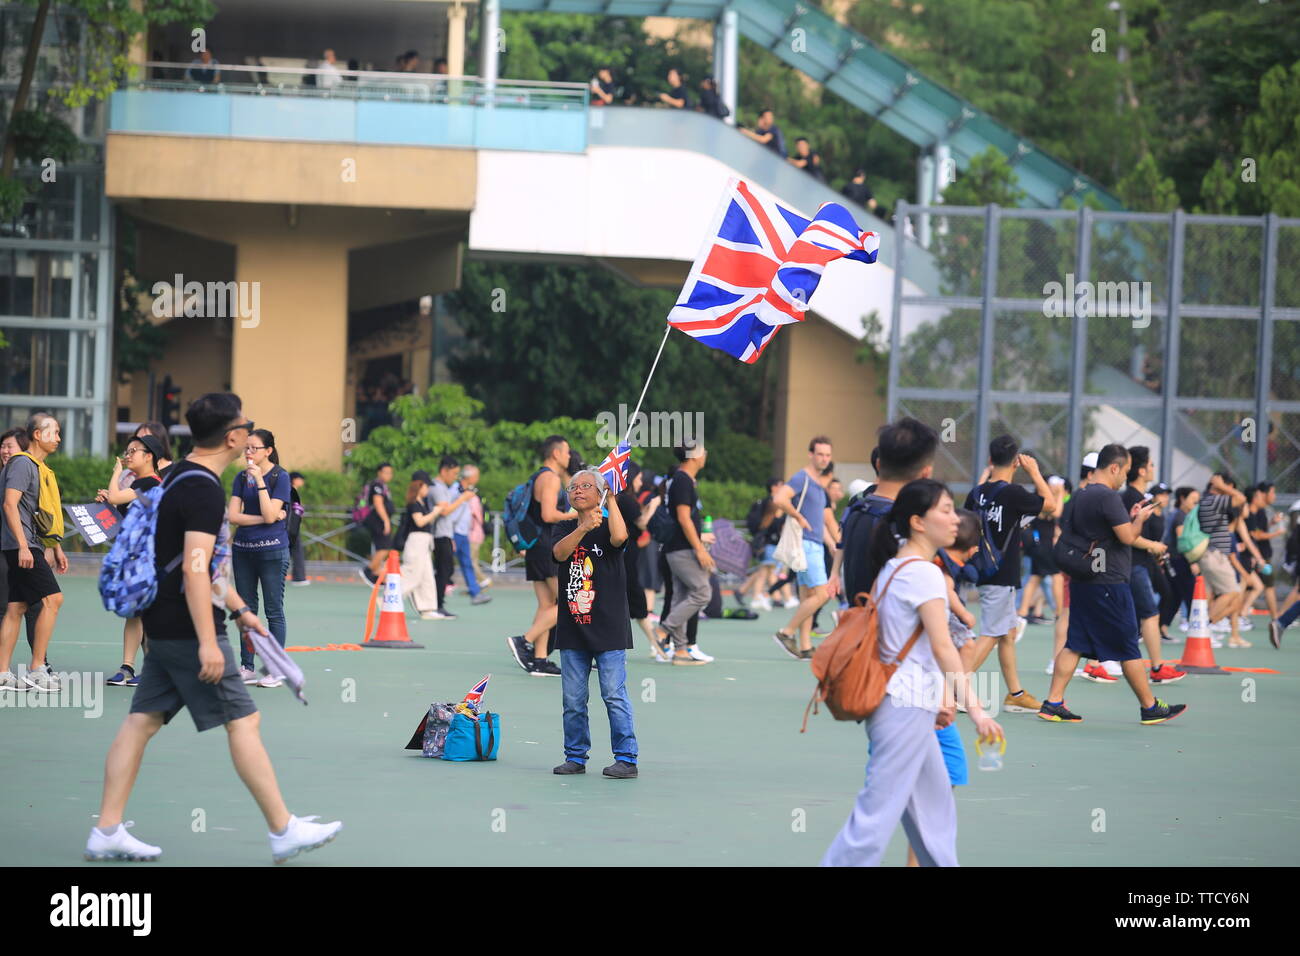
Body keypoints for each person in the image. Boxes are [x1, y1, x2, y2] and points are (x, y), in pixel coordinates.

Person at [85, 392, 342, 863]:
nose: (250, 433)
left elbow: (198, 562)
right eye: (246, 426)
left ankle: (106, 829)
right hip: (187, 626)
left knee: (140, 722)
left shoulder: (180, 475)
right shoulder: (202, 488)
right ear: (232, 436)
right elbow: (196, 569)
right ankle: (283, 829)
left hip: (163, 623)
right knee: (245, 720)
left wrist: (243, 611)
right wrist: (209, 641)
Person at [822, 479, 1004, 867]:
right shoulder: (924, 574)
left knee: (934, 816)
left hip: (907, 705)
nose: (955, 518)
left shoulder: (897, 565)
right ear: (918, 522)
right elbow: (943, 647)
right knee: (874, 820)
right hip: (903, 706)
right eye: (945, 510)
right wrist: (976, 710)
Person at [1040, 444, 1186, 724]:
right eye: (1125, 471)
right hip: (1108, 581)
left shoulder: (1080, 495)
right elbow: (1128, 538)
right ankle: (1149, 706)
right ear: (1114, 468)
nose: (1125, 478)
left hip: (1084, 578)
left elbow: (1097, 531)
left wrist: (1128, 517)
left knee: (1075, 643)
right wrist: (1139, 519)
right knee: (1128, 645)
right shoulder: (1107, 497)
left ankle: (1053, 702)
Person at [550, 468, 639, 778]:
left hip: (609, 625)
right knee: (573, 698)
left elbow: (620, 537)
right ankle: (575, 756)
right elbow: (560, 554)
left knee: (613, 693)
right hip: (573, 627)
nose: (577, 490)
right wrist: (583, 528)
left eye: (586, 485)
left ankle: (626, 758)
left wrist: (611, 500)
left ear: (599, 492)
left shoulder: (609, 523)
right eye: (573, 486)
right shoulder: (564, 527)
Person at [963, 437, 1058, 714]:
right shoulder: (1014, 493)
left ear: (990, 460)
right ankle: (954, 689)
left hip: (982, 569)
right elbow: (1050, 505)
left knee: (1006, 632)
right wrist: (1035, 473)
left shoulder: (977, 493)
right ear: (1016, 461)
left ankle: (1015, 693)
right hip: (1002, 574)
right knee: (992, 633)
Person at [837, 417, 939, 604]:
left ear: (878, 464)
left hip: (860, 624)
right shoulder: (904, 524)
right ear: (926, 473)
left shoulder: (858, 510)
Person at [0, 414, 67, 693]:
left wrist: (55, 546)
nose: (58, 438)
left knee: (16, 608)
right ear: (38, 435)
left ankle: (2, 673)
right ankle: (37, 668)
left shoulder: (36, 467)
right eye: (54, 432)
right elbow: (10, 505)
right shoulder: (24, 464)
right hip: (22, 547)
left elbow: (36, 512)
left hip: (25, 545)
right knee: (53, 599)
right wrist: (25, 546)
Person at [95, 434, 166, 688]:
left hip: (150, 558)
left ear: (149, 457)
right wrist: (111, 500)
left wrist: (116, 473)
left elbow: (116, 497)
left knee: (146, 614)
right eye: (127, 451)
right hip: (137, 556)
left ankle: (154, 670)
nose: (127, 455)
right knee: (135, 614)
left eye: (133, 451)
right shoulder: (140, 485)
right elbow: (120, 508)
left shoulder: (149, 482)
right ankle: (128, 666)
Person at [227, 429, 292, 688]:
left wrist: (261, 484)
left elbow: (269, 511)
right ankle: (247, 666)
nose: (249, 453)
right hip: (243, 550)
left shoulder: (280, 477)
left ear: (268, 450)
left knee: (273, 610)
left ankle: (276, 669)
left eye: (254, 448)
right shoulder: (240, 477)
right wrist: (266, 518)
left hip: (272, 551)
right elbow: (233, 516)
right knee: (245, 610)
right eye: (247, 448)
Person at [506, 435, 574, 677]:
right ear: (556, 454)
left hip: (537, 546)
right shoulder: (551, 478)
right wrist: (576, 517)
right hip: (547, 546)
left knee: (547, 604)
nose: (569, 456)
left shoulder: (538, 476)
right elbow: (548, 514)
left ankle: (539, 658)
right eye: (566, 452)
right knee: (568, 602)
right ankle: (524, 640)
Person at [1118, 447, 1185, 682]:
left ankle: (1104, 662)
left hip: (1140, 564)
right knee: (1149, 614)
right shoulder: (1130, 498)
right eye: (1152, 465)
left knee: (1134, 616)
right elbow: (1128, 535)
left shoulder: (1140, 498)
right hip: (1133, 565)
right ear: (1142, 469)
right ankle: (1157, 668)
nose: (1154, 468)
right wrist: (1153, 546)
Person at [773, 437, 840, 659]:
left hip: (814, 544)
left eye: (827, 455)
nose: (824, 459)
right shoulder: (802, 478)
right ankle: (786, 632)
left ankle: (804, 646)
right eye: (820, 454)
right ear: (811, 454)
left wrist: (831, 543)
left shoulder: (819, 484)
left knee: (808, 596)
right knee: (822, 595)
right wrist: (797, 516)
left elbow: (821, 521)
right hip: (806, 545)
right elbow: (780, 498)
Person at [659, 441, 714, 665]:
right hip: (682, 549)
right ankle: (664, 630)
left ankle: (680, 650)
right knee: (703, 592)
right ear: (693, 455)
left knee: (681, 596)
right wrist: (700, 549)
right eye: (702, 449)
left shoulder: (685, 480)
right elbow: (683, 517)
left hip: (678, 548)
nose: (706, 453)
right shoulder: (682, 480)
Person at [0, 428, 40, 660]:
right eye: (3, 446)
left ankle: (40, 662)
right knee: (6, 606)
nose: (5, 451)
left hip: (20, 547)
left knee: (34, 606)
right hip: (10, 548)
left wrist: (52, 547)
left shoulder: (26, 472)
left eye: (10, 446)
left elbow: (42, 514)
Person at [1197, 472, 1248, 647]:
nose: (1231, 490)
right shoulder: (1213, 499)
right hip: (1215, 555)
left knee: (1226, 594)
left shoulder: (1208, 500)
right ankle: (1204, 627)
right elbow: (1241, 499)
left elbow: (1242, 509)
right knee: (1232, 592)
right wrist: (1223, 487)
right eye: (1228, 486)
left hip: (1215, 555)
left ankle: (1206, 628)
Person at [615, 462, 659, 654]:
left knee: (626, 605)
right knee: (637, 605)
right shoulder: (626, 500)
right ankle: (658, 647)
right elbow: (642, 524)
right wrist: (654, 505)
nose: (641, 482)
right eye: (639, 478)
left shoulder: (620, 499)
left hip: (623, 558)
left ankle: (657, 646)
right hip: (625, 560)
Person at [427, 456, 477, 620]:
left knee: (446, 570)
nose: (456, 477)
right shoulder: (437, 487)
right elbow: (445, 511)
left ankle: (437, 604)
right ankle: (436, 604)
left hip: (446, 533)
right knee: (443, 571)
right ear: (444, 471)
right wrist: (462, 499)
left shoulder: (442, 487)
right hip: (439, 534)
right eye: (454, 473)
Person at [397, 471, 440, 619]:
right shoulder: (414, 503)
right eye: (426, 486)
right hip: (416, 542)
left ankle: (427, 608)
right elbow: (420, 522)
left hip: (425, 542)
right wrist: (435, 512)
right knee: (413, 574)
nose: (428, 490)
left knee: (427, 576)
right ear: (420, 485)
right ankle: (389, 598)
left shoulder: (422, 502)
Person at [451, 464, 491, 607]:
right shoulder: (455, 489)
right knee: (446, 564)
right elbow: (450, 511)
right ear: (470, 477)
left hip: (464, 533)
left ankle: (475, 592)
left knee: (467, 563)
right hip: (453, 532)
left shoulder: (471, 492)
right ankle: (437, 594)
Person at [360, 463, 395, 585]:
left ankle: (376, 573)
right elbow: (378, 503)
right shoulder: (377, 485)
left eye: (390, 473)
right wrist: (385, 520)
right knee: (384, 547)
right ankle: (369, 570)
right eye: (386, 472)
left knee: (383, 546)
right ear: (379, 472)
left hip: (380, 520)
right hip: (377, 520)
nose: (388, 475)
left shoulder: (383, 486)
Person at [288, 472, 309, 586]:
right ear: (295, 480)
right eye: (301, 479)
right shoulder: (291, 491)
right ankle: (299, 577)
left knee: (292, 551)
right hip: (291, 526)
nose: (302, 482)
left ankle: (298, 577)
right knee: (297, 550)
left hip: (292, 525)